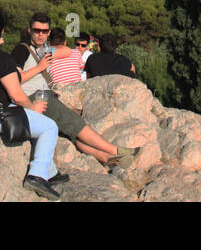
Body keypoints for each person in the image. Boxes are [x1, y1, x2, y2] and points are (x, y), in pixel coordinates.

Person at [0, 9, 63, 200]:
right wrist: (32, 108)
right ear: (0, 32)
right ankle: (37, 175)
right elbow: (16, 95)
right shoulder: (1, 59)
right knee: (49, 127)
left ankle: (51, 171)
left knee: (34, 123)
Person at [13, 13, 139, 168]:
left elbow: (66, 51)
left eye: (45, 31)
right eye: (37, 30)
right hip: (36, 97)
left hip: (42, 95)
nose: (40, 34)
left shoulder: (41, 50)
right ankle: (117, 150)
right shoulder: (22, 50)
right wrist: (40, 67)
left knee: (71, 133)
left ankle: (106, 158)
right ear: (29, 30)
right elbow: (16, 79)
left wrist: (46, 53)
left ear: (49, 32)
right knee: (75, 123)